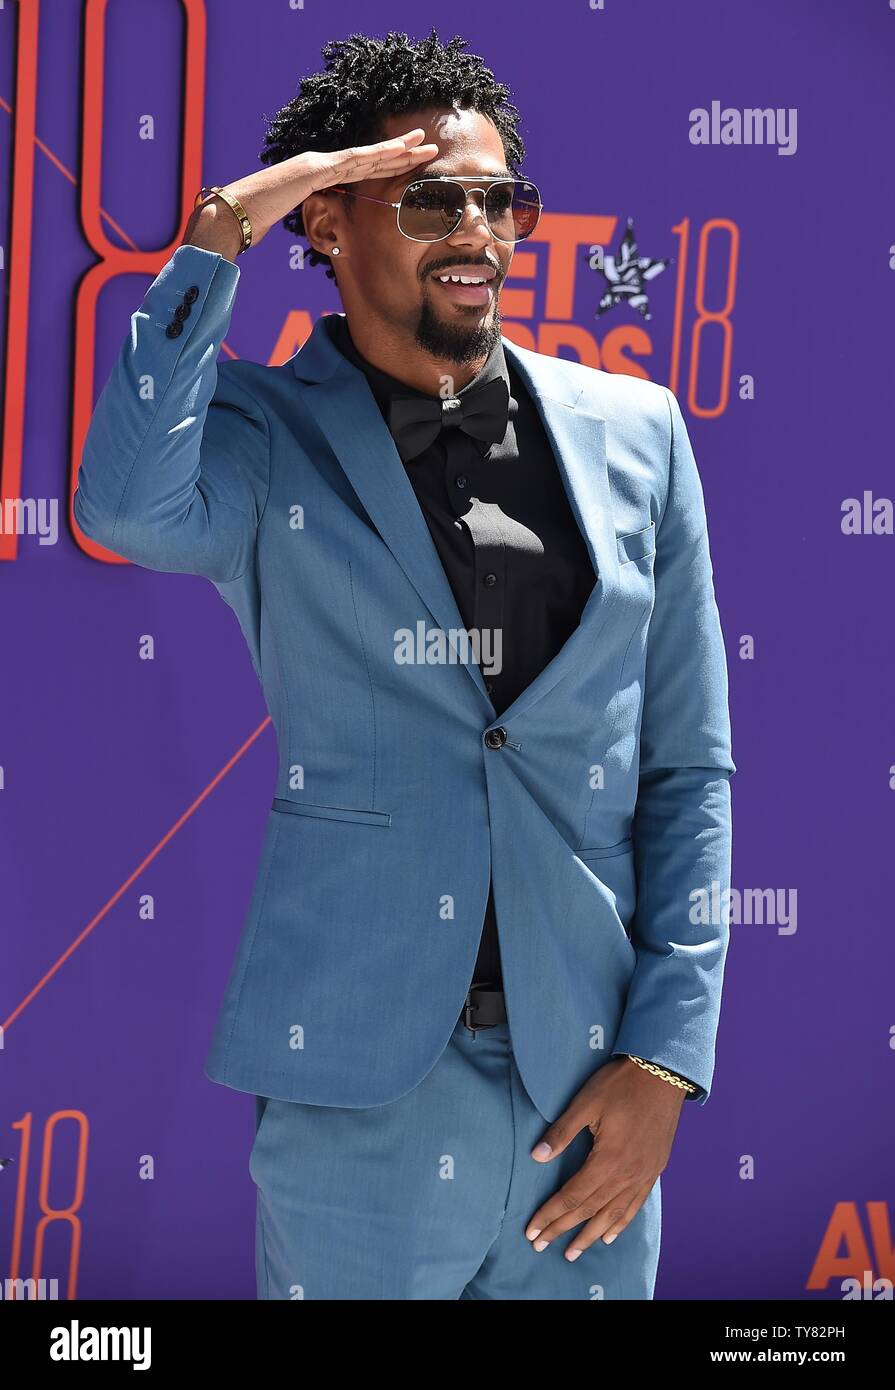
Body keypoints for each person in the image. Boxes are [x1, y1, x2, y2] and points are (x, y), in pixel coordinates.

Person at [74, 29, 735, 1300]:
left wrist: (666, 1062)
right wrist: (222, 227)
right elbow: (122, 507)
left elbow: (688, 770)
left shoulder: (637, 433)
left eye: (500, 200)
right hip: (360, 1100)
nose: (476, 228)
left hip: (589, 1093)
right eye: (432, 197)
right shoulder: (263, 431)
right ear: (326, 220)